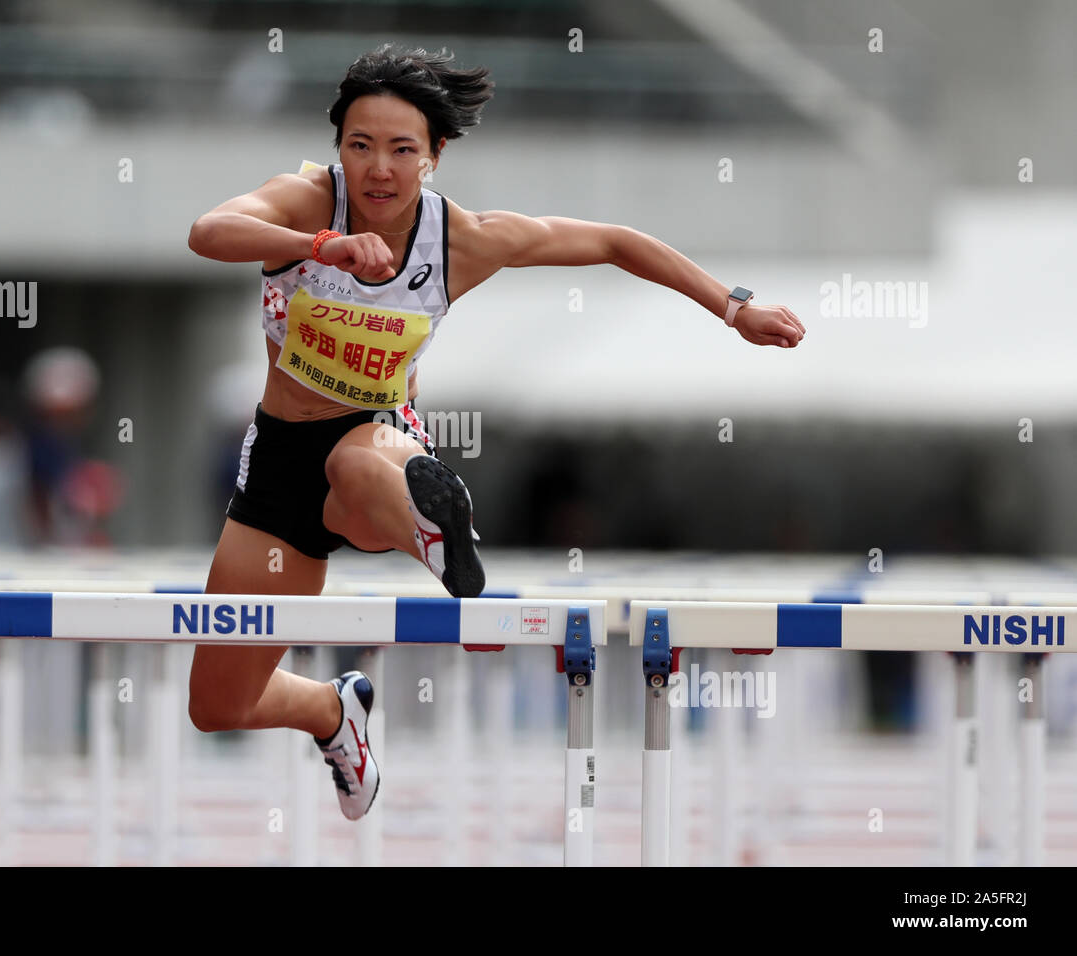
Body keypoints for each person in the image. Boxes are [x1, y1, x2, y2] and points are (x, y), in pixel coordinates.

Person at [185, 43, 806, 821]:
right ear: (338, 148)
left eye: (402, 150)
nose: (379, 169)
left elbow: (616, 243)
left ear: (435, 156)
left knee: (358, 468)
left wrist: (735, 307)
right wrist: (321, 247)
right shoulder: (307, 201)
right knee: (219, 705)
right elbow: (208, 231)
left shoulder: (462, 240)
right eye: (360, 146)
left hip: (377, 435)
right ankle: (332, 709)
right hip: (279, 461)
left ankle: (435, 527)